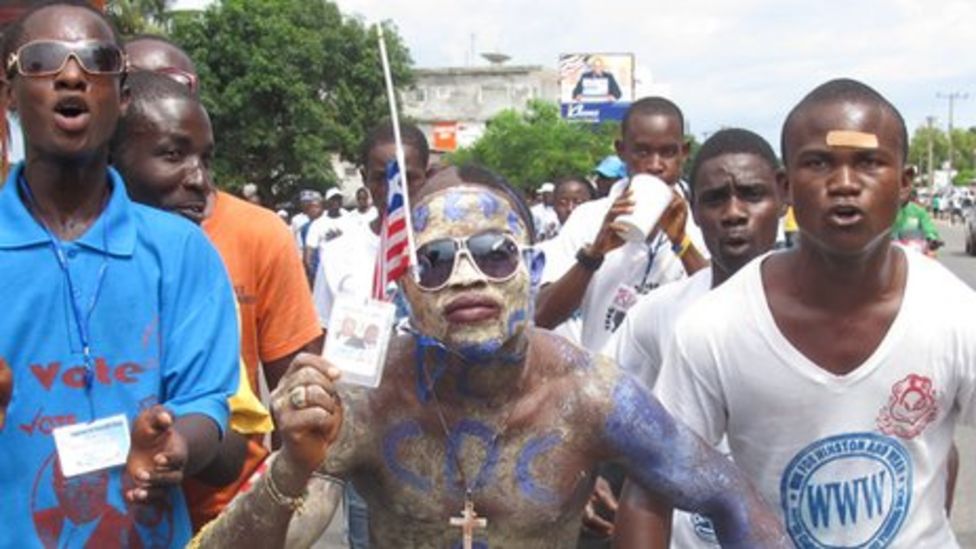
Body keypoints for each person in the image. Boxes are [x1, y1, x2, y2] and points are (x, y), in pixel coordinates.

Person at [191, 165, 788, 549]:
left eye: (494, 253)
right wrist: (294, 466)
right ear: (406, 290)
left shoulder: (588, 395)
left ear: (530, 271)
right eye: (435, 261)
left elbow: (728, 495)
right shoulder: (367, 399)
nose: (467, 277)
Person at [651, 78, 976, 547]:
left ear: (905, 184)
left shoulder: (956, 316)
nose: (844, 184)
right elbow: (654, 489)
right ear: (785, 186)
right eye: (819, 163)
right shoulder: (714, 328)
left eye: (869, 161)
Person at [0, 3, 238, 546]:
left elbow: (206, 403)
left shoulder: (181, 252)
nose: (70, 75)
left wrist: (175, 445)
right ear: (9, 93)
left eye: (97, 60)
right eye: (40, 61)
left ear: (122, 95)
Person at [110, 69, 323, 529]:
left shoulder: (204, 260)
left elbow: (238, 444)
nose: (199, 181)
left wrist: (182, 435)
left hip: (216, 521)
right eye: (172, 154)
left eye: (205, 158)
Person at [607, 128, 784, 547]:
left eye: (752, 195)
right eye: (715, 199)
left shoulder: (827, 310)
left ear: (783, 196)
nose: (734, 213)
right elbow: (606, 410)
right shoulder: (657, 313)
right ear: (695, 212)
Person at [309, 119, 430, 549]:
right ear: (365, 179)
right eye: (382, 177)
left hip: (436, 425)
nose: (394, 189)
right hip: (366, 430)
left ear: (426, 176)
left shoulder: (448, 247)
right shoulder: (340, 251)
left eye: (407, 177)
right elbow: (320, 337)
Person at [535, 97, 708, 351]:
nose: (655, 165)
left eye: (668, 152)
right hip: (605, 384)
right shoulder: (588, 218)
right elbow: (543, 317)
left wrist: (682, 243)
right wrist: (594, 255)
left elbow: (721, 306)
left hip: (674, 386)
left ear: (684, 152)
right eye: (642, 152)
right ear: (621, 150)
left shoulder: (701, 219)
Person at [304, 187, 346, 275]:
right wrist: (309, 267)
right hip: (326, 272)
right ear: (326, 203)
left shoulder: (350, 219)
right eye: (333, 199)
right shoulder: (318, 224)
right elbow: (309, 249)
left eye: (338, 199)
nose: (336, 202)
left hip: (346, 270)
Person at [893, 188, 942, 255]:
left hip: (913, 251)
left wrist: (932, 239)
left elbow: (929, 229)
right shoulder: (882, 210)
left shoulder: (919, 211)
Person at [290, 189, 324, 257]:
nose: (306, 204)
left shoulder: (318, 218)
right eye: (303, 201)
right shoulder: (295, 219)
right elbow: (293, 237)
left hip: (316, 250)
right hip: (300, 252)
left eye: (308, 201)